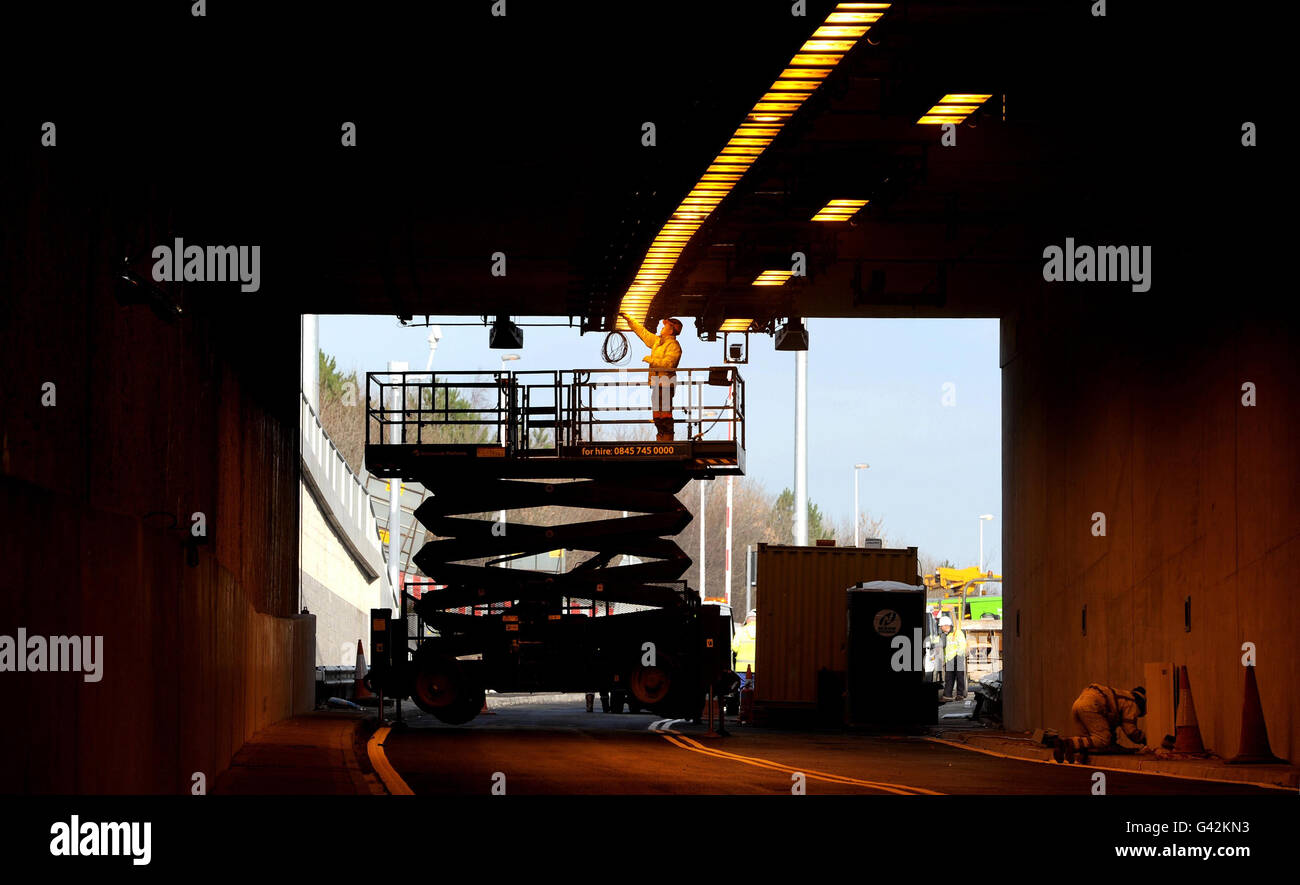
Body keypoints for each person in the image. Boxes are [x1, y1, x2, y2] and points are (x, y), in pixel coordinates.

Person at [619, 311, 683, 441]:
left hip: (665, 383)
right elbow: (643, 333)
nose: (662, 328)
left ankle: (667, 440)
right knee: (658, 415)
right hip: (656, 382)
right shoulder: (658, 341)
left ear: (671, 331)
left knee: (665, 415)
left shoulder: (674, 346)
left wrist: (652, 360)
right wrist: (630, 320)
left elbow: (669, 364)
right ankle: (661, 438)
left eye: (665, 326)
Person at [1054, 684, 1147, 763]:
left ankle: (1066, 748)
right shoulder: (1132, 703)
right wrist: (1145, 740)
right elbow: (1130, 730)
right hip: (1092, 705)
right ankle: (1068, 743)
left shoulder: (1122, 697)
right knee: (1103, 739)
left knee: (1087, 741)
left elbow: (1109, 723)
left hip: (1078, 703)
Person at [938, 614, 967, 701]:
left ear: (946, 625)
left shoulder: (957, 633)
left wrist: (958, 656)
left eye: (941, 626)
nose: (940, 628)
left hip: (957, 657)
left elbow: (962, 645)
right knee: (949, 678)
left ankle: (960, 695)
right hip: (949, 659)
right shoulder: (944, 635)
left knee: (959, 677)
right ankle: (947, 696)